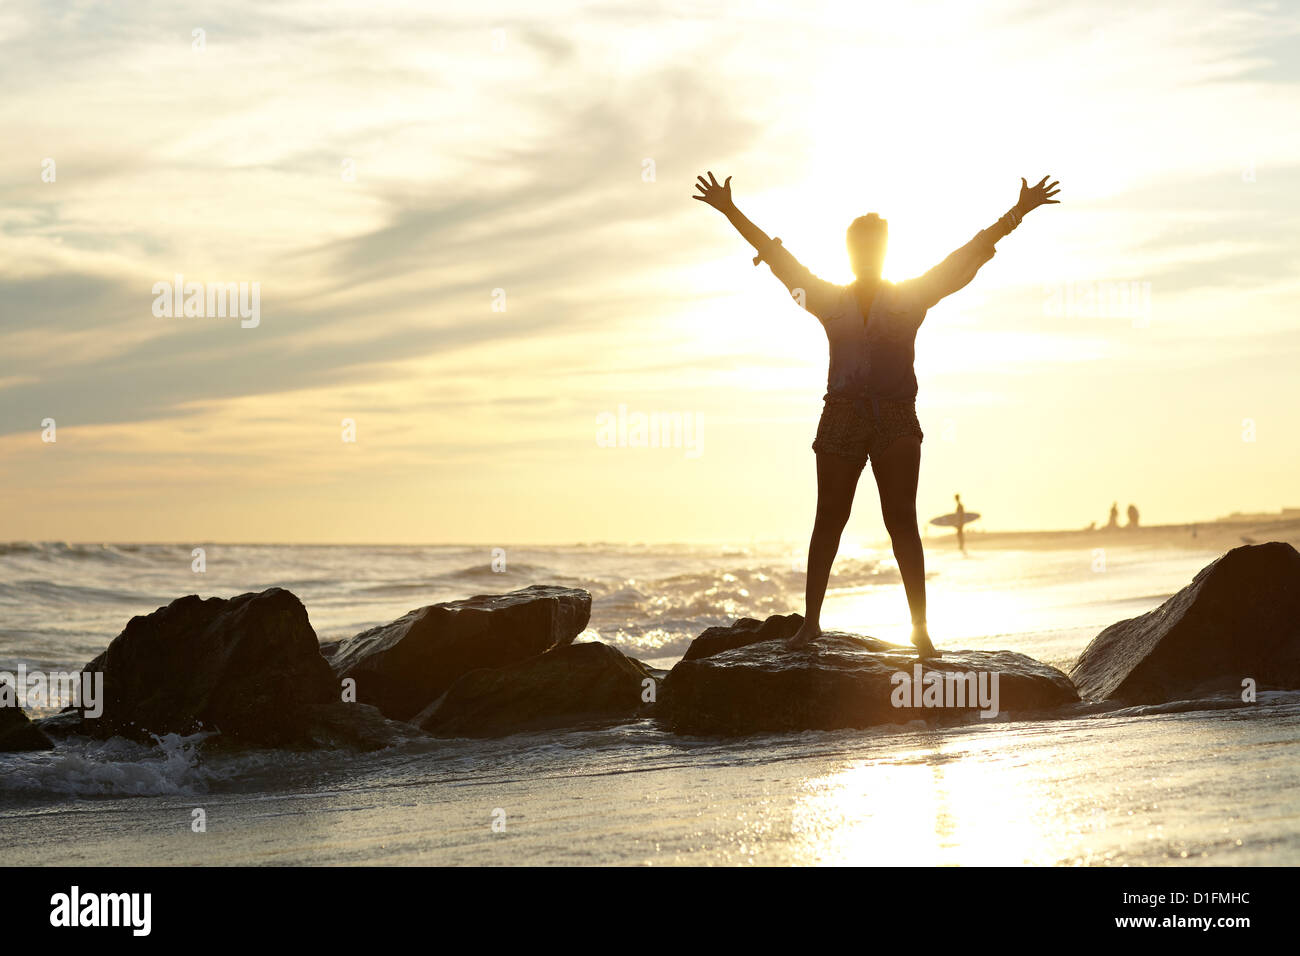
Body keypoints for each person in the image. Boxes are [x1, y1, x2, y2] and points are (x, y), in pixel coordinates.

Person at [693, 171, 1061, 657]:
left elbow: (967, 255)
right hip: (841, 416)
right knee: (829, 520)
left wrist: (1018, 212)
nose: (866, 257)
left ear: (884, 252)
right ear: (849, 254)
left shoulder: (912, 295)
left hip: (895, 416)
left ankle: (920, 630)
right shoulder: (826, 298)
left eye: (874, 249)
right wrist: (729, 210)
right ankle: (812, 625)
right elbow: (780, 259)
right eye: (858, 250)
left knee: (902, 522)